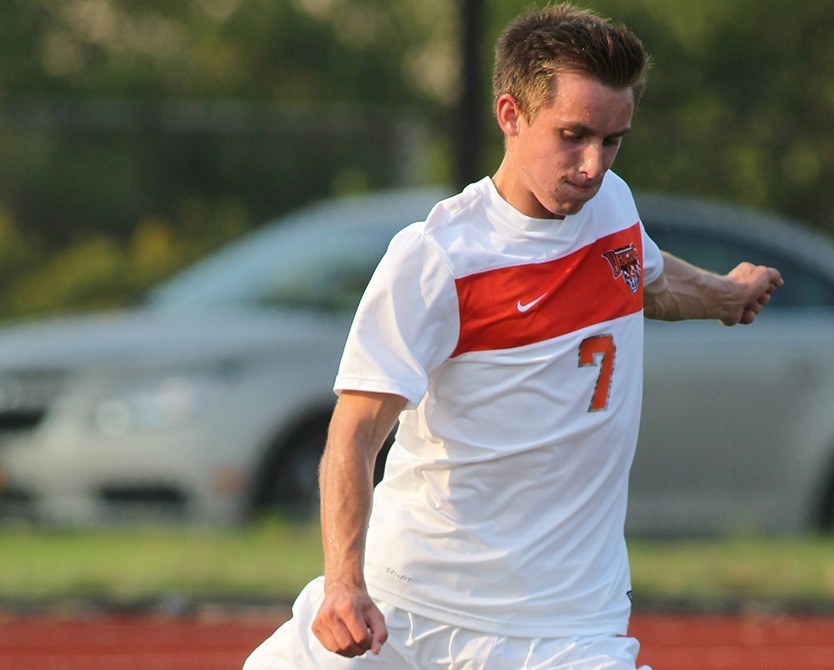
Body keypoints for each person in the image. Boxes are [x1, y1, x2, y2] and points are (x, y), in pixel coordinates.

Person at [245, 4, 782, 669]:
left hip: (567, 627)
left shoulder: (611, 207)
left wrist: (726, 296)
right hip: (407, 606)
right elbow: (353, 435)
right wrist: (344, 585)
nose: (592, 165)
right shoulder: (437, 258)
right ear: (511, 115)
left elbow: (646, 278)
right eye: (573, 135)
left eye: (613, 141)